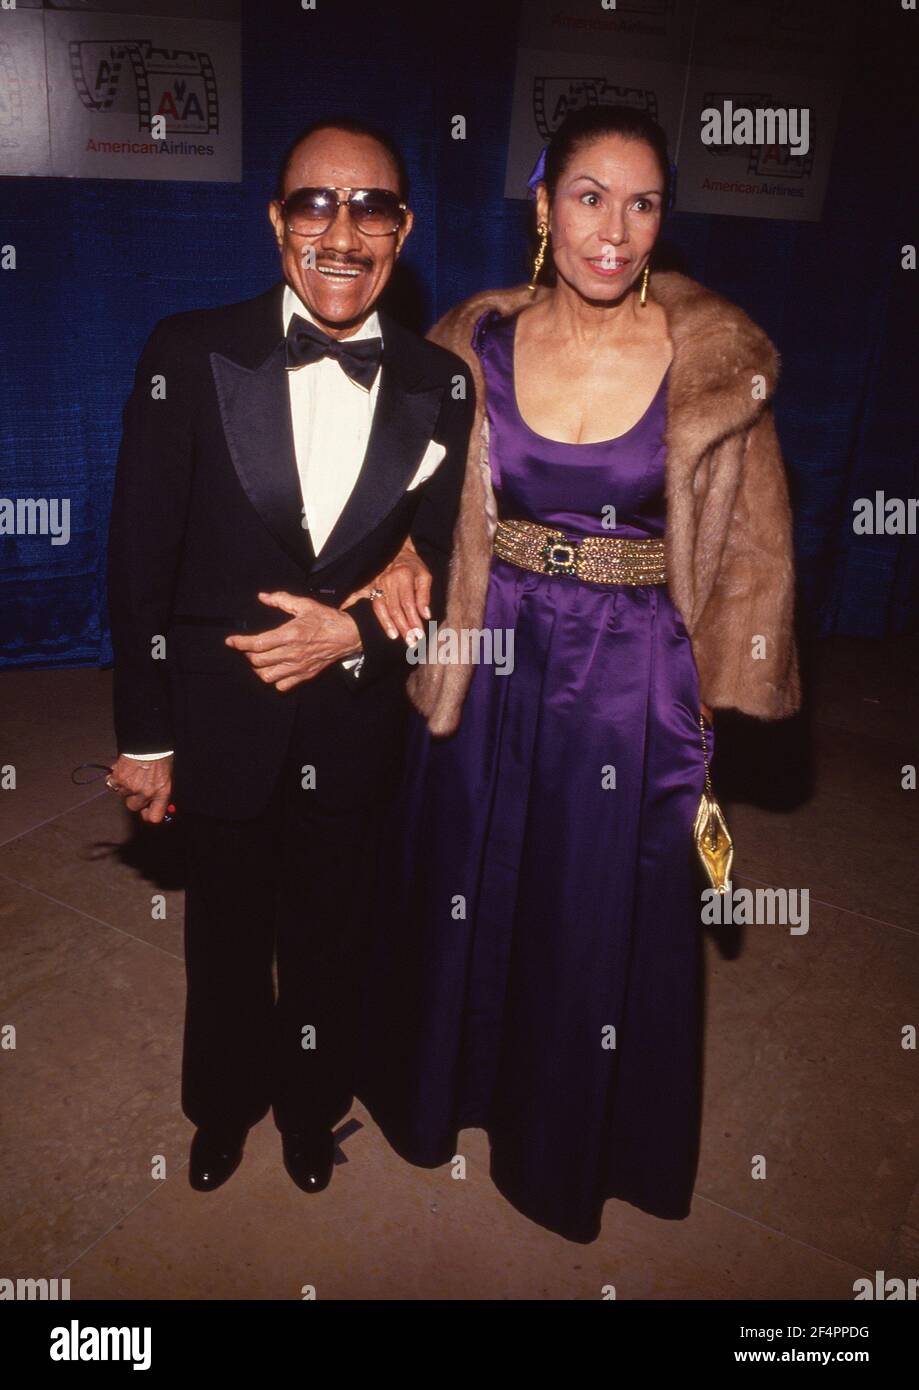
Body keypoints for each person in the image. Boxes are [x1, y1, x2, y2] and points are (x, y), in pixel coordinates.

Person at [357, 105, 800, 1243]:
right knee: (467, 873)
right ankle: (441, 1093)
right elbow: (408, 484)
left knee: (592, 906)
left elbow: (753, 545)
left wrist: (725, 679)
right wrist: (403, 547)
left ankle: (563, 1147)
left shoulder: (714, 359)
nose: (615, 228)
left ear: (663, 218)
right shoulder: (473, 340)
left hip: (629, 667)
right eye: (590, 197)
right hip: (489, 640)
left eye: (642, 201)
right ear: (544, 207)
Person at [105, 118, 474, 1196]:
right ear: (276, 219)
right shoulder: (187, 350)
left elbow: (456, 561)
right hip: (219, 718)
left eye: (372, 207)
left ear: (402, 231)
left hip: (356, 723)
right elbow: (139, 561)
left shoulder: (441, 383)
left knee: (331, 934)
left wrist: (351, 630)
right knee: (222, 934)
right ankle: (222, 1107)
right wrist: (146, 734)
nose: (344, 231)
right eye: (317, 202)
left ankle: (311, 1113)